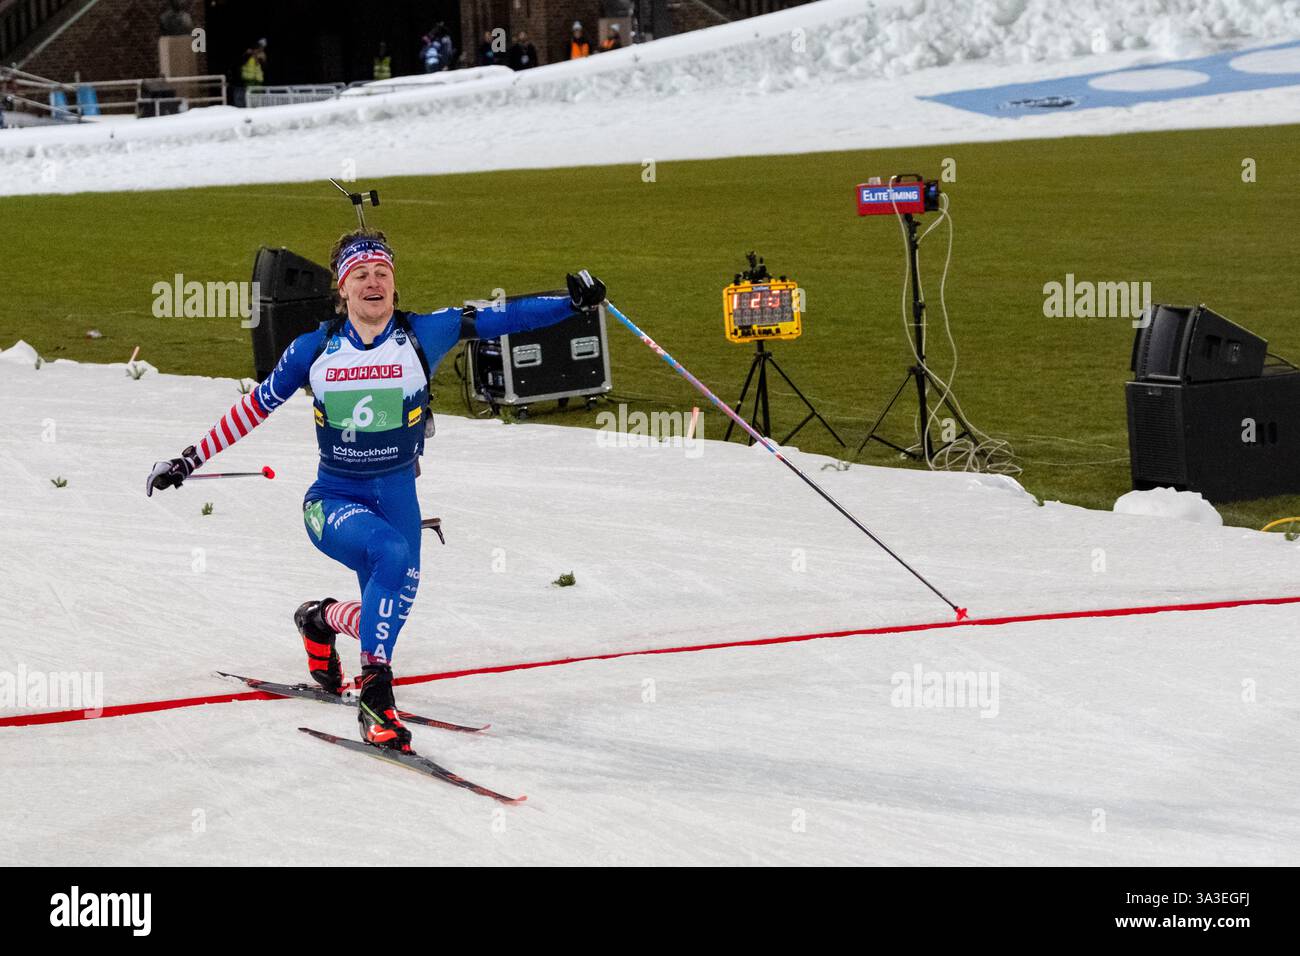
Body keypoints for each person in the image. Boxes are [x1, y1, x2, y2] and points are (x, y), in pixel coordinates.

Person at [146, 230, 607, 752]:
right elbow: (252, 409)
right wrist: (188, 460)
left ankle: (318, 621)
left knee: (387, 610)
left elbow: (503, 317)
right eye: (360, 275)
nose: (373, 283)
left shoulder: (421, 336)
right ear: (342, 290)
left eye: (382, 274)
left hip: (397, 496)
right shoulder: (314, 348)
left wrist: (572, 303)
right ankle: (376, 702)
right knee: (389, 558)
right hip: (333, 501)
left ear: (394, 285)